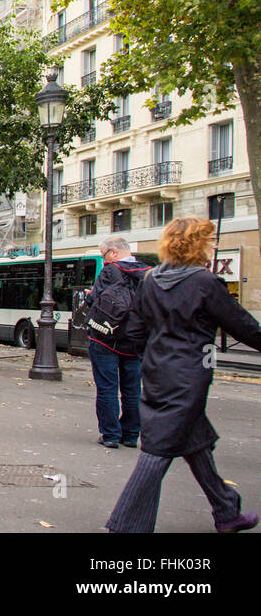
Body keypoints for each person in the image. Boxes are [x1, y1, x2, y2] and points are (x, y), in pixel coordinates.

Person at [106, 218, 261, 532]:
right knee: (158, 450)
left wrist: (154, 355)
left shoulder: (151, 279)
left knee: (194, 442)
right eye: (209, 240)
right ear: (197, 244)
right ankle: (126, 526)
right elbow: (243, 326)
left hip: (157, 372)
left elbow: (134, 331)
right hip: (189, 376)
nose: (213, 245)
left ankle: (227, 511)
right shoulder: (204, 282)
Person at [84, 235, 151, 448]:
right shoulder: (148, 273)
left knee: (107, 388)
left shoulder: (110, 271)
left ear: (113, 252)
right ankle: (131, 434)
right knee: (133, 390)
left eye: (104, 255)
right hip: (135, 341)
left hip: (106, 337)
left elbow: (94, 300)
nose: (104, 260)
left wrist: (90, 296)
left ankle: (111, 434)